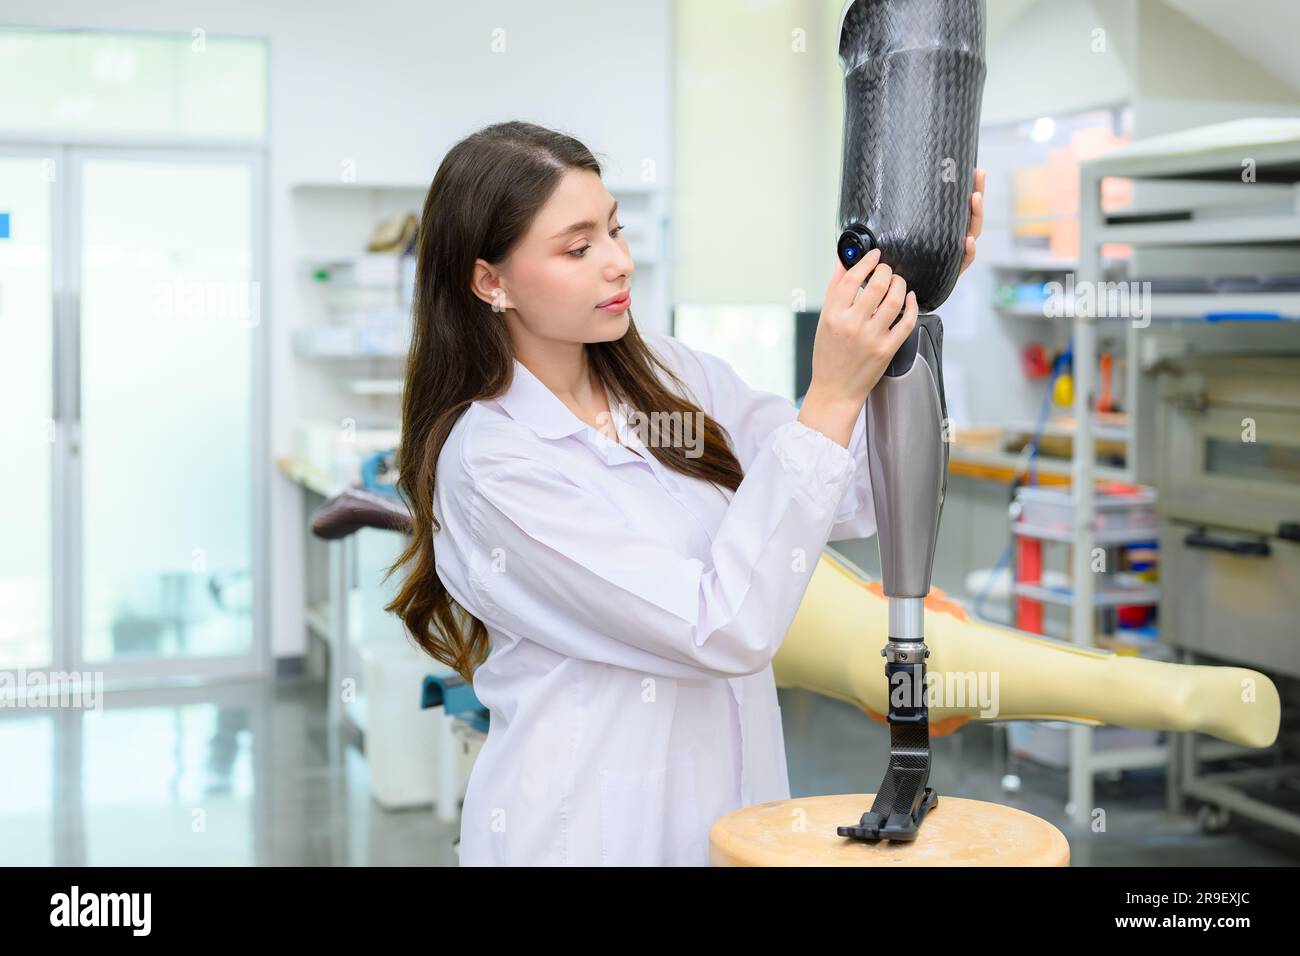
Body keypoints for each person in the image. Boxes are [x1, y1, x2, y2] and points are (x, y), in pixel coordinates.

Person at [385, 120, 984, 866]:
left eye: (614, 230)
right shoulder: (493, 465)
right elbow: (721, 626)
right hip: (587, 835)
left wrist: (912, 305)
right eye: (578, 248)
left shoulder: (664, 378)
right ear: (490, 281)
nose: (618, 263)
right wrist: (828, 391)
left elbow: (854, 490)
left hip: (732, 815)